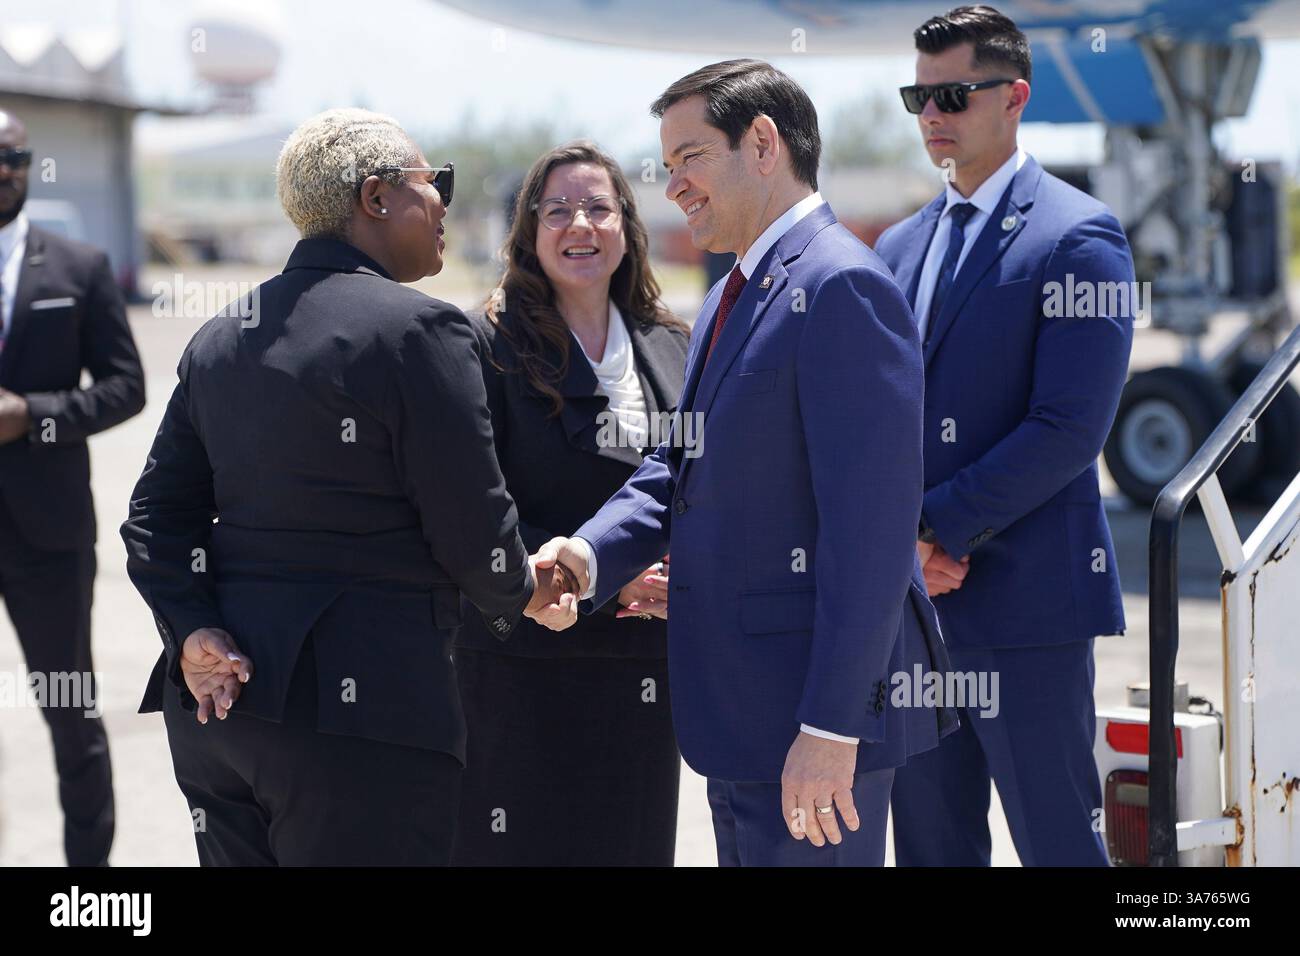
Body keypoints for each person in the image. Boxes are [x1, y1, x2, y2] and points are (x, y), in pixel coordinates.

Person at [120, 108, 576, 867]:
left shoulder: (224, 333)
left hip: (221, 711)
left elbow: (155, 517)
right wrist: (533, 587)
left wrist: (191, 629)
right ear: (376, 197)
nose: (444, 207)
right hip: (362, 725)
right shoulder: (419, 331)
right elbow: (472, 530)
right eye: (437, 185)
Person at [536, 61, 957, 867]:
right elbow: (678, 463)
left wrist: (834, 728)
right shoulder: (744, 286)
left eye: (690, 157)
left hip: (812, 726)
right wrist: (588, 555)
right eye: (667, 166)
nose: (674, 186)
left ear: (763, 143)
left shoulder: (841, 287)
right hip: (747, 719)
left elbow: (871, 536)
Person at [874, 5, 1135, 866]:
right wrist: (903, 549)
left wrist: (931, 527)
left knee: (1059, 844)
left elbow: (1068, 430)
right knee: (931, 852)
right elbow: (878, 419)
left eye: (952, 92)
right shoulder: (903, 244)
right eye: (918, 95)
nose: (931, 115)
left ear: (1015, 96)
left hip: (1027, 611)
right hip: (916, 611)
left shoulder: (1079, 237)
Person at [452, 141, 689, 867]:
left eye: (598, 207)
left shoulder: (674, 344)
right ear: (528, 232)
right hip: (522, 665)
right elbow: (468, 499)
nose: (578, 223)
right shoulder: (483, 342)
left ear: (626, 228)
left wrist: (691, 574)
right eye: (556, 210)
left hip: (646, 674)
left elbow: (696, 486)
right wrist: (598, 573)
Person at [0, 109, 145, 866]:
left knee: (69, 711)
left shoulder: (79, 267)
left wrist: (35, 415)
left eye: (15, 157)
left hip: (46, 536)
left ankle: (85, 887)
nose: (3, 170)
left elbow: (127, 387)